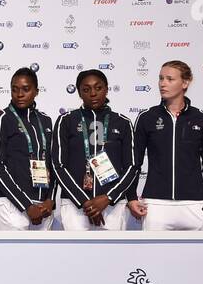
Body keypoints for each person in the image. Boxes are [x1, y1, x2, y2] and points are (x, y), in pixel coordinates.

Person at [126, 61, 203, 230]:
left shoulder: (202, 119)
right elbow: (134, 162)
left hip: (195, 205)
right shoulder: (147, 117)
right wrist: (131, 197)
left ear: (185, 83)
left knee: (199, 257)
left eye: (170, 79)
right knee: (155, 257)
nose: (163, 83)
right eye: (161, 78)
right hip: (155, 204)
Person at [49, 69, 138, 231]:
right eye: (86, 89)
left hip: (113, 205)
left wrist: (108, 198)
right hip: (75, 205)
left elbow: (132, 166)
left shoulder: (123, 122)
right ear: (79, 92)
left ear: (106, 89)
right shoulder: (66, 120)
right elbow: (58, 165)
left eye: (98, 88)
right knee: (76, 255)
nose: (93, 93)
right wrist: (85, 201)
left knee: (112, 255)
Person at [0, 68, 56, 230]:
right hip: (10, 204)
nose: (19, 94)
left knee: (42, 256)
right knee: (11, 256)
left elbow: (53, 164)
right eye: (14, 89)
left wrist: (50, 200)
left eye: (26, 89)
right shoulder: (2, 118)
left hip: (42, 206)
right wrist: (26, 205)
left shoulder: (45, 120)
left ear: (36, 91)